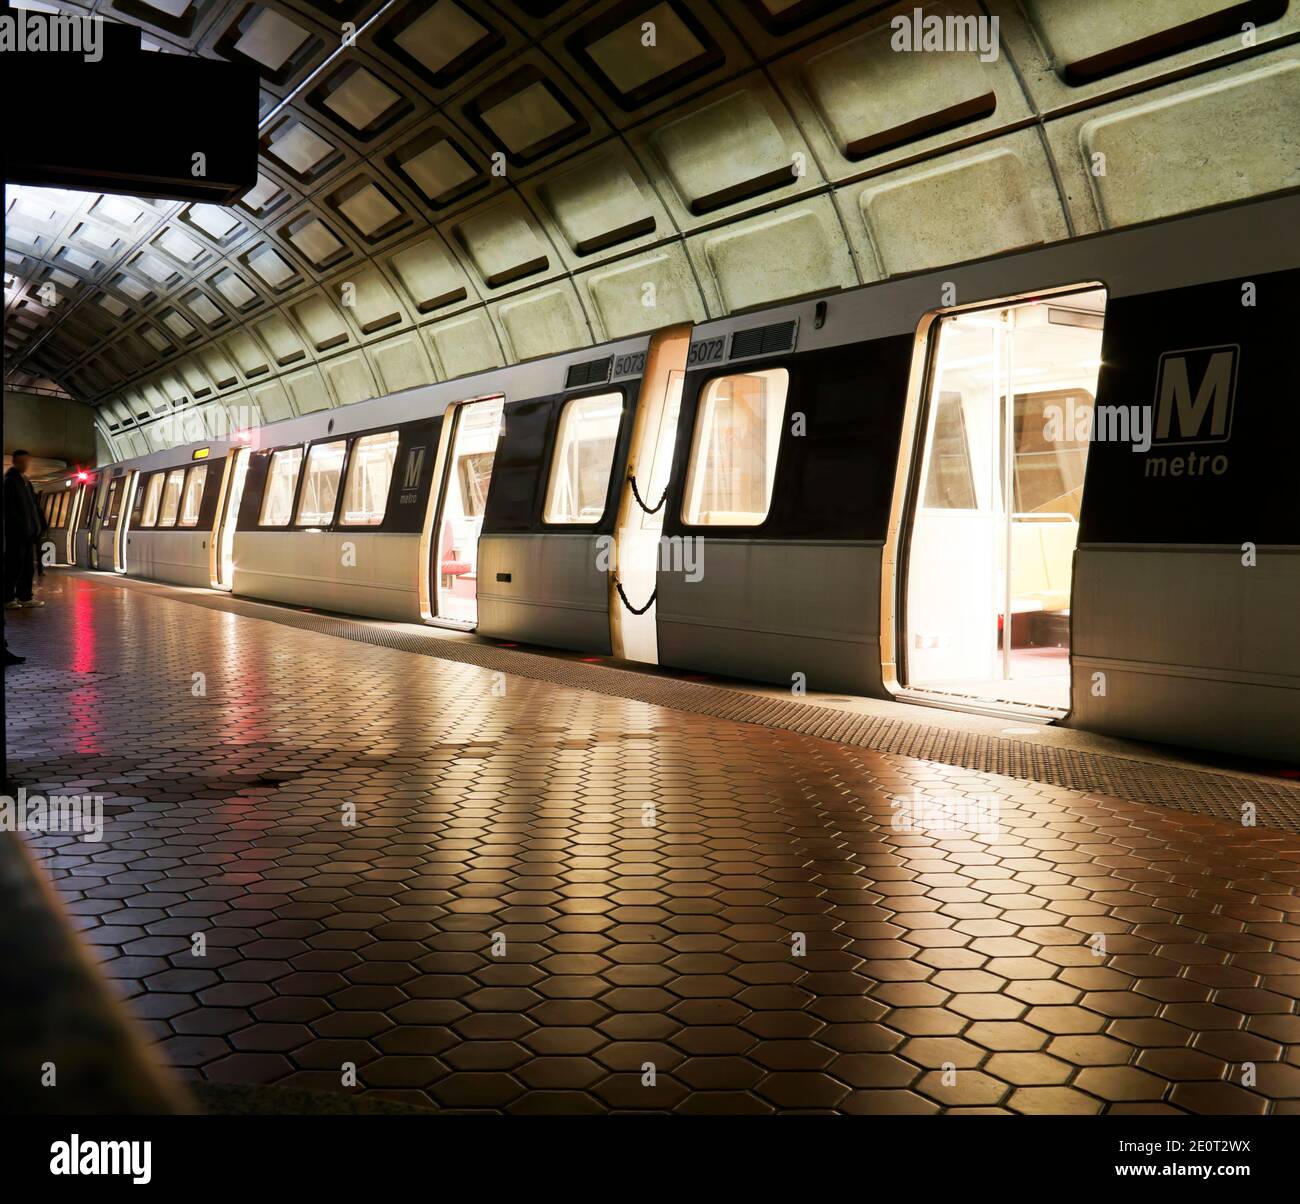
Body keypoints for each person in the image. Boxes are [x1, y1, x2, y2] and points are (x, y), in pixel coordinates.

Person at [4, 450, 45, 610]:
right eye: (21, 461)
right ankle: (8, 598)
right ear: (14, 462)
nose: (25, 464)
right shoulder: (10, 482)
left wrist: (37, 527)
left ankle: (25, 596)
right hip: (17, 534)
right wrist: (21, 528)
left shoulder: (25, 482)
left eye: (26, 461)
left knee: (27, 566)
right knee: (14, 566)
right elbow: (11, 511)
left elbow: (33, 508)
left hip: (28, 533)